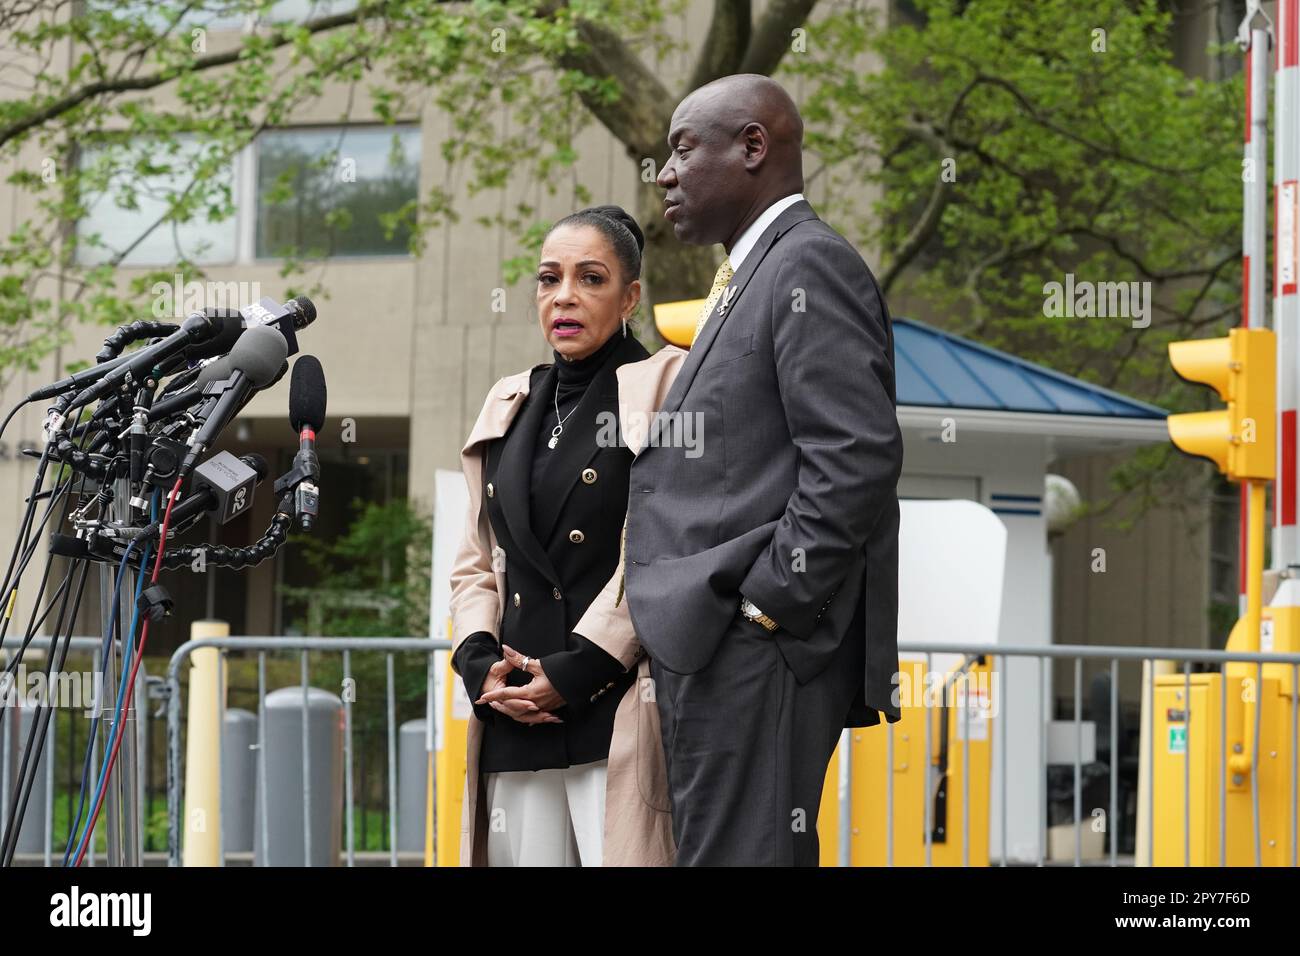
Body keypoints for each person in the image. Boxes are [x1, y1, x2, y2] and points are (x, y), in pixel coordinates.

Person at [622, 74, 905, 865]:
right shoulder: (751, 272)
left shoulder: (807, 266)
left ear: (753, 147)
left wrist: (768, 606)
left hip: (758, 649)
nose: (665, 174)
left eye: (682, 150)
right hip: (721, 646)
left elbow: (856, 457)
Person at [448, 204, 680, 866]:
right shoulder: (511, 400)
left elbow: (662, 553)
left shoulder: (662, 386)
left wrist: (577, 671)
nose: (564, 297)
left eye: (591, 278)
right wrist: (478, 663)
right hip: (512, 710)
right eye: (549, 279)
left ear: (630, 296)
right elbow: (476, 565)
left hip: (613, 704)